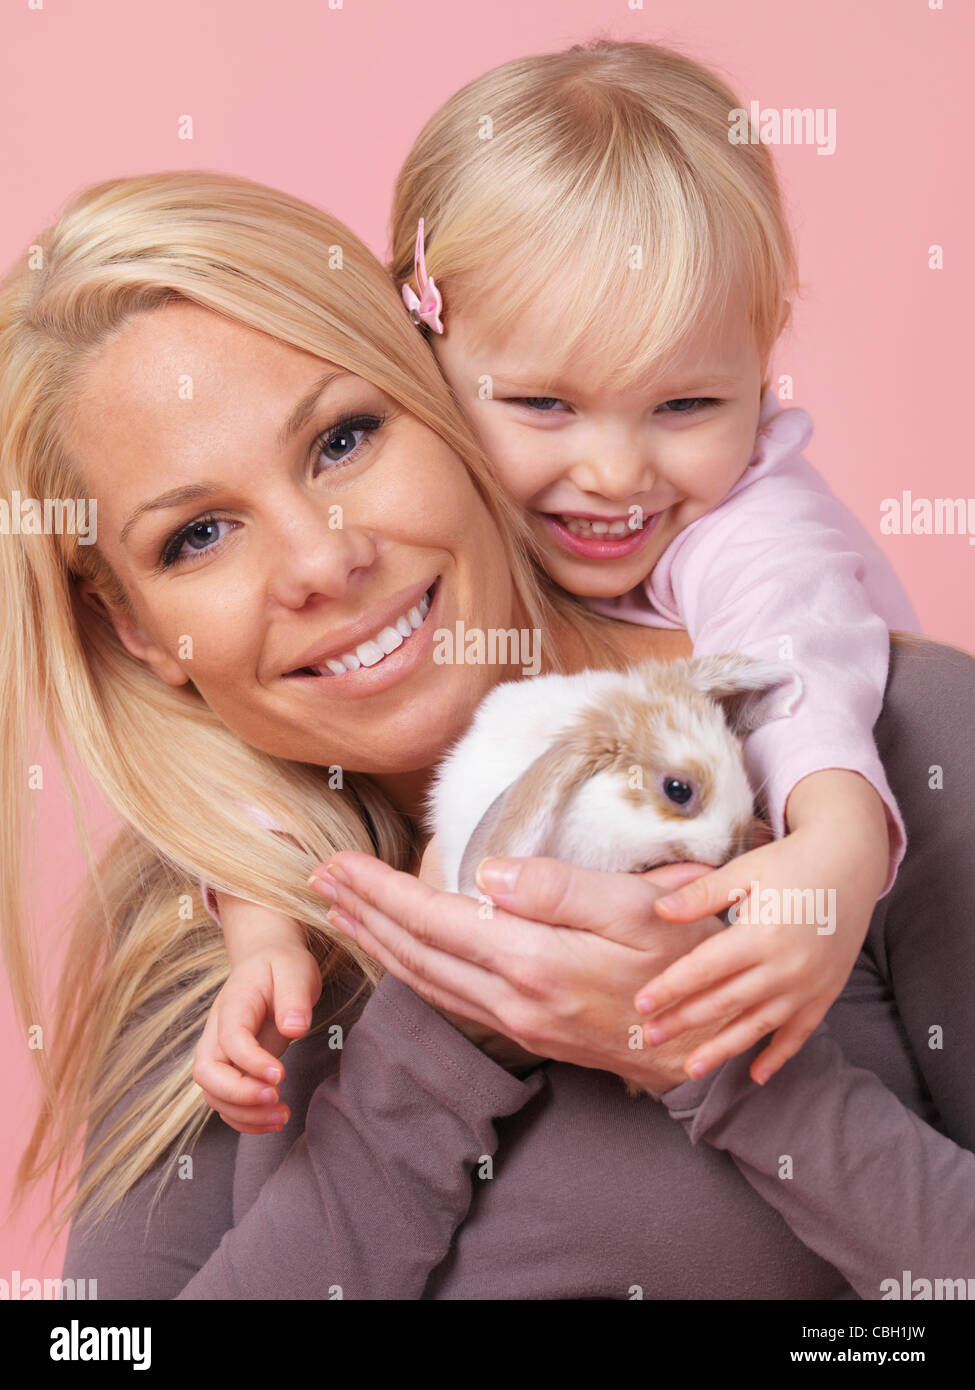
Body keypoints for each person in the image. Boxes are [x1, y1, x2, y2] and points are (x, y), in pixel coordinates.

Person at [1, 172, 972, 1301]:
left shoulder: (875, 745)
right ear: (135, 625)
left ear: (453, 410)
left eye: (344, 438)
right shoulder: (199, 918)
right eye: (200, 534)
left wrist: (694, 1042)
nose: (324, 561)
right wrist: (438, 1042)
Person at [200, 40, 923, 1120]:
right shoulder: (417, 533)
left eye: (687, 407)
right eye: (544, 406)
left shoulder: (750, 515)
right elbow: (268, 738)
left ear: (763, 364)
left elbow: (792, 643)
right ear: (423, 355)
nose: (615, 474)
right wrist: (259, 923)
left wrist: (834, 844)